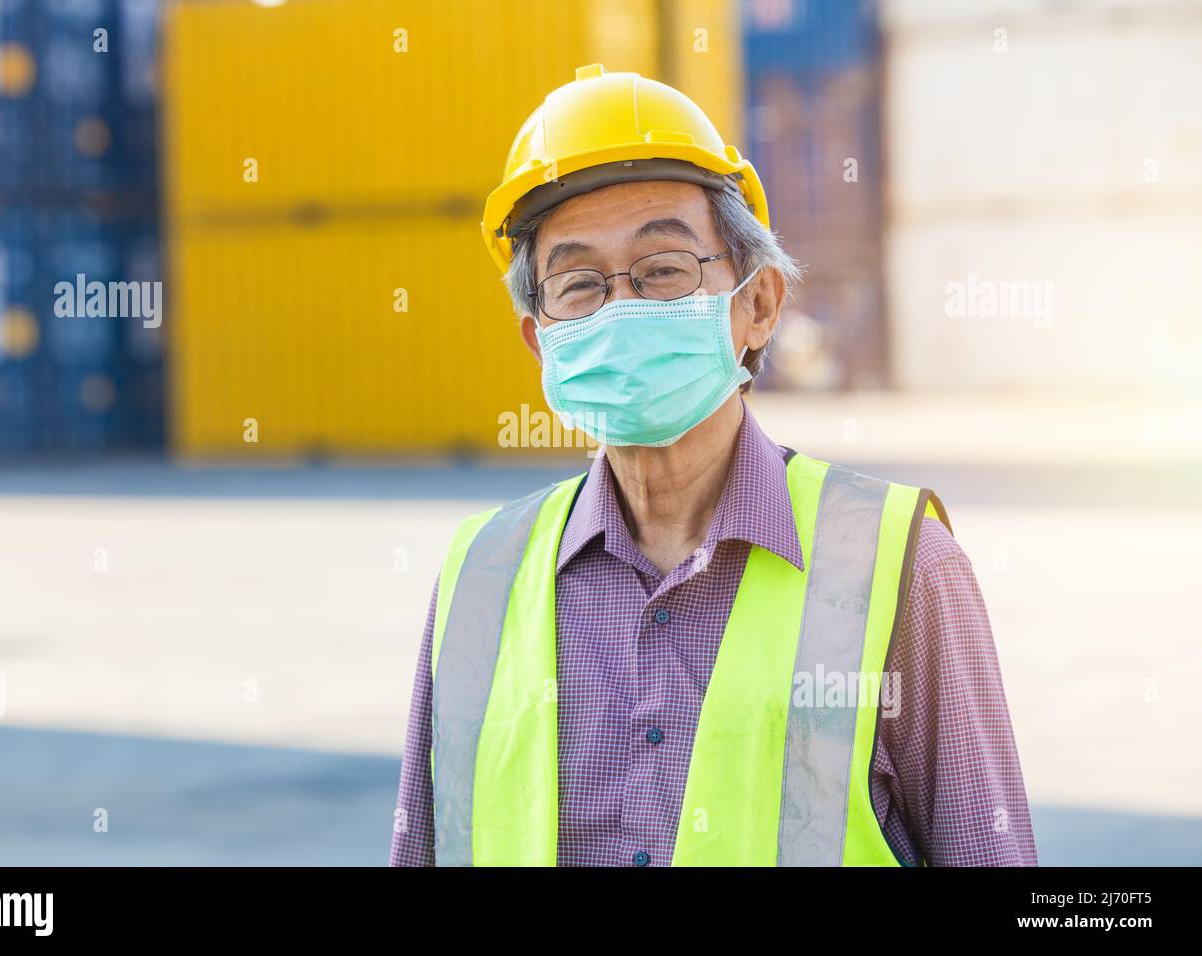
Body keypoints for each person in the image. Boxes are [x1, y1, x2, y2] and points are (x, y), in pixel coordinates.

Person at [390, 65, 1036, 867]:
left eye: (663, 270)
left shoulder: (900, 566)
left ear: (758, 305)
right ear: (539, 341)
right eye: (579, 283)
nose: (621, 308)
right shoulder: (477, 579)